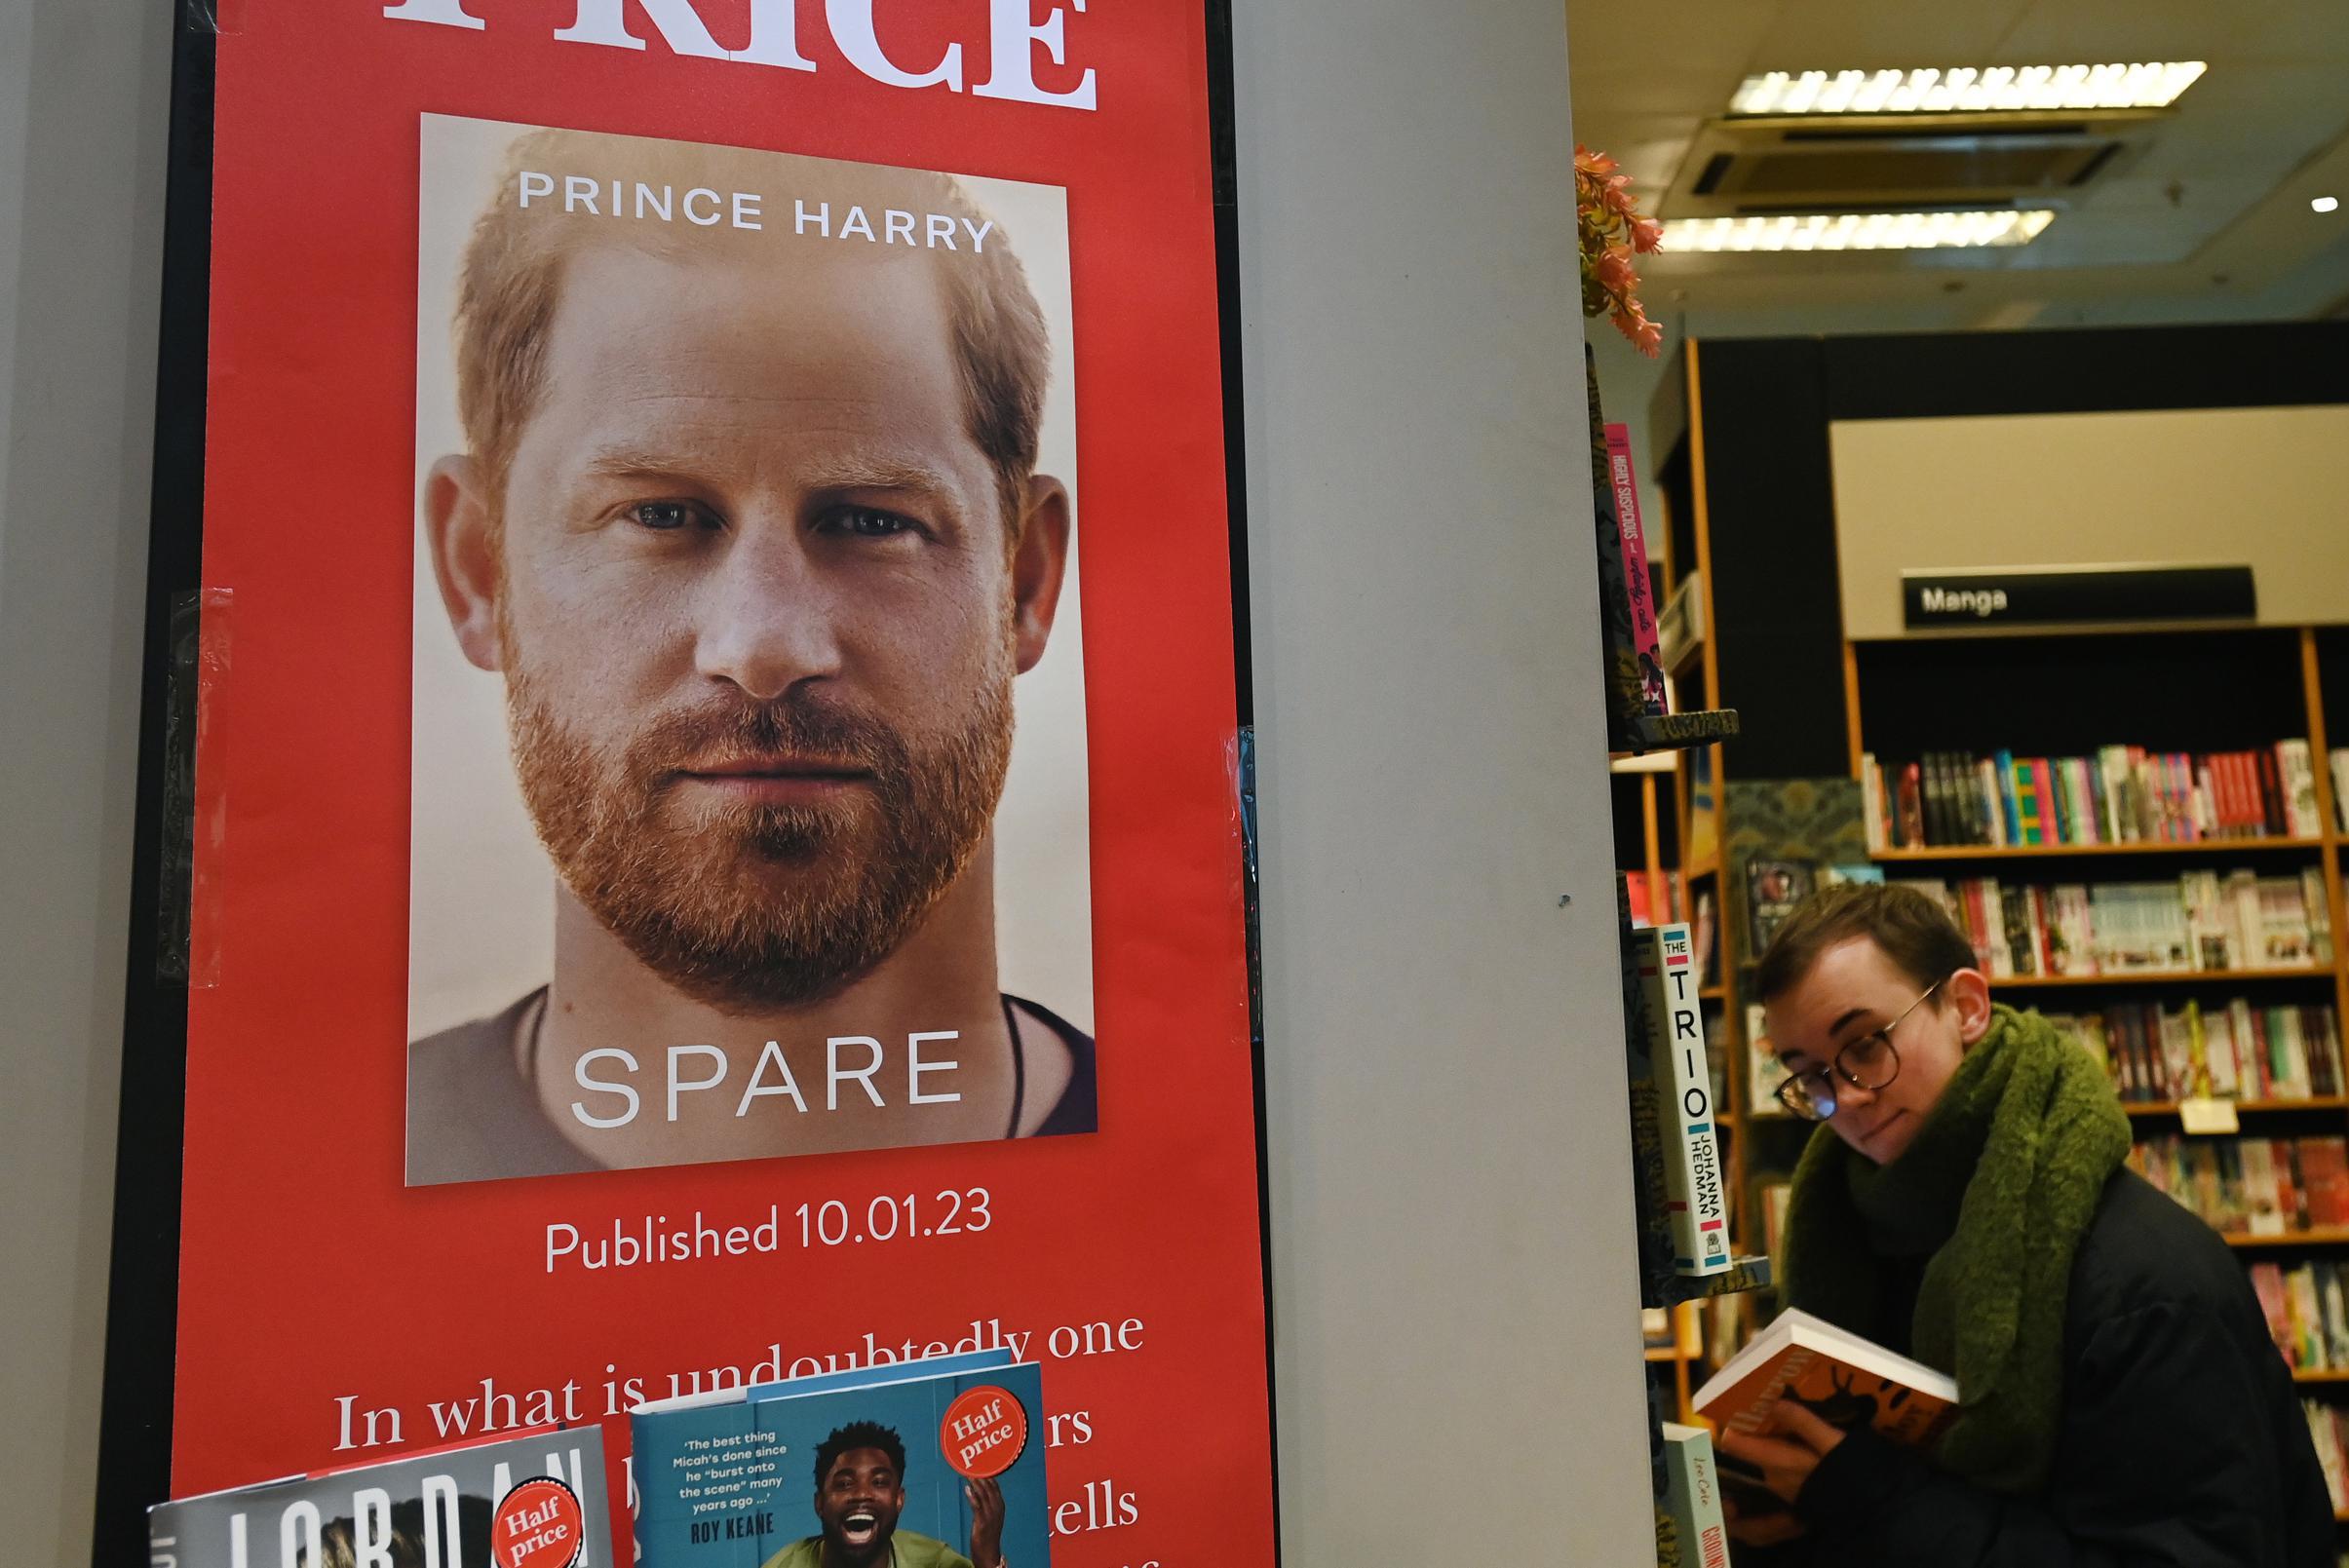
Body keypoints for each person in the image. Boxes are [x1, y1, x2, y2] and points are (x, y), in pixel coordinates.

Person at [404, 128, 1095, 1184]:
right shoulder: (287, 1188)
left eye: (870, 521)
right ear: (478, 571)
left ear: (1025, 584)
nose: (764, 646)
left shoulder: (1251, 1168)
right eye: (661, 513)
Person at [1719, 882, 2332, 1566]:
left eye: (1866, 1043)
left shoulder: (2144, 1282)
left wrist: (1867, 1497)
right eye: (1813, 1077)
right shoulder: (1855, 1243)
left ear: (1967, 1007)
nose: (1850, 1099)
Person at [763, 1421, 1003, 1568]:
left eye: (878, 1482)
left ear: (899, 1500)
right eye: (845, 1484)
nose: (862, 1494)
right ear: (820, 1503)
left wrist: (987, 1561)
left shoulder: (935, 1562)